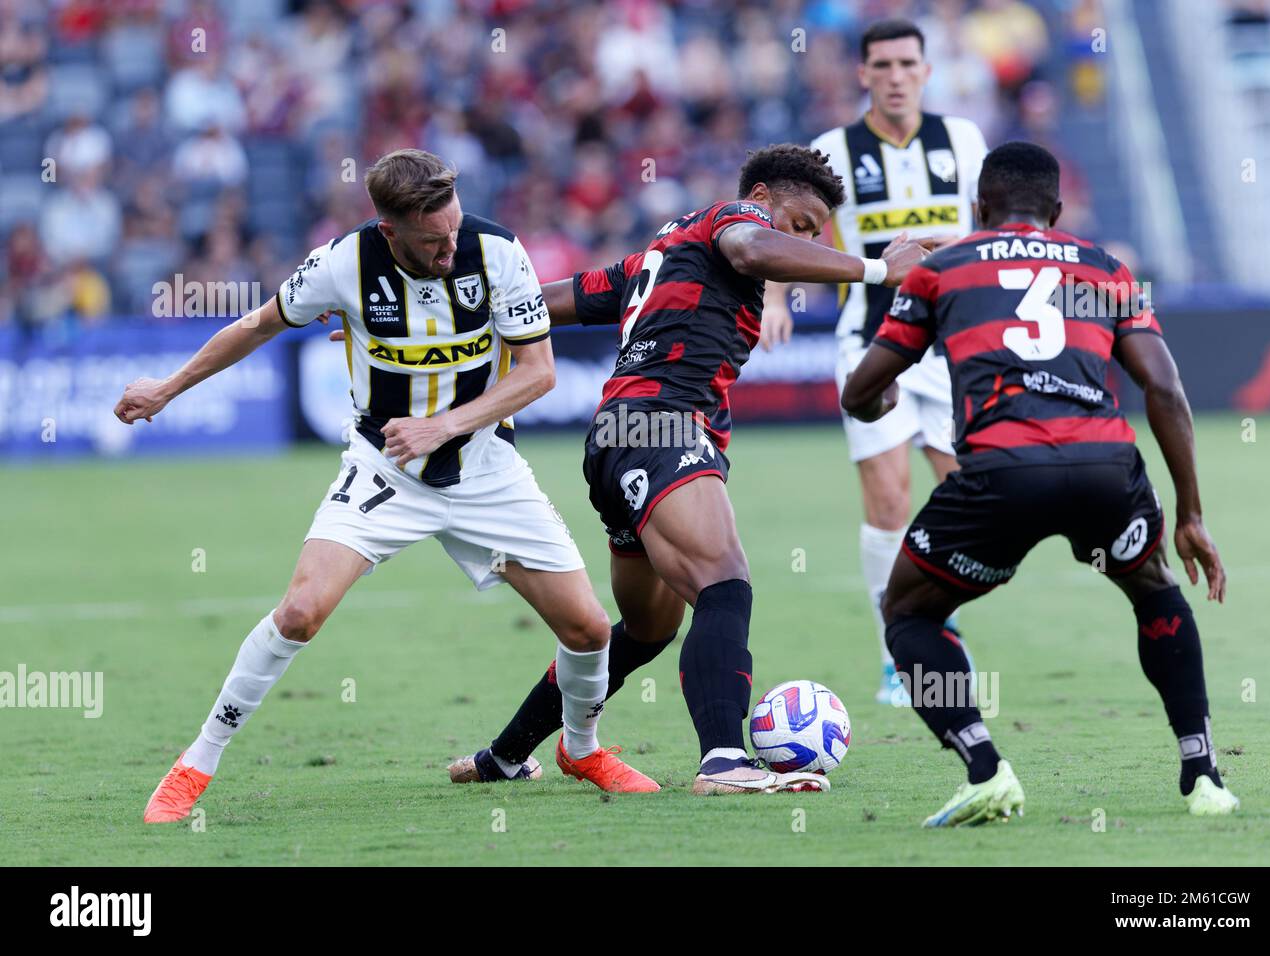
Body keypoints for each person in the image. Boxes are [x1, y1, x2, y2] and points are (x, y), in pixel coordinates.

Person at [115, 149, 656, 824]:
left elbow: (538, 372)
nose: (449, 248)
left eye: (454, 230)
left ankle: (581, 749)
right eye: (433, 240)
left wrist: (443, 426)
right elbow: (258, 325)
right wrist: (167, 389)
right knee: (299, 612)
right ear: (390, 230)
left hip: (485, 467)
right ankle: (197, 760)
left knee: (586, 628)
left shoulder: (497, 252)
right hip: (385, 469)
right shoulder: (343, 264)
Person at [445, 144, 934, 794]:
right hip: (661, 422)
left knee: (650, 628)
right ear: (760, 198)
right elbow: (752, 249)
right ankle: (725, 761)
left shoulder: (663, 251)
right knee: (724, 583)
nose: (807, 241)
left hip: (621, 434)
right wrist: (875, 268)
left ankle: (503, 757)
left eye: (817, 234)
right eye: (801, 224)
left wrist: (445, 318)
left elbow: (554, 301)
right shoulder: (732, 223)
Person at [840, 141, 1240, 825]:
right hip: (1104, 468)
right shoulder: (1107, 270)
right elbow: (1166, 389)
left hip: (1002, 474)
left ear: (978, 207)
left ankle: (984, 766)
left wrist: (873, 406)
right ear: (1055, 212)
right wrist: (1191, 513)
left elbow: (863, 389)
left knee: (908, 611)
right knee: (1154, 592)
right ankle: (1203, 775)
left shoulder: (943, 271)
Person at [764, 19, 987, 704]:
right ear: (862, 73)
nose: (895, 76)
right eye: (882, 64)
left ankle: (934, 617)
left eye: (906, 63)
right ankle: (900, 650)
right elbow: (789, 228)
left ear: (926, 70)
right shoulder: (834, 150)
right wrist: (775, 295)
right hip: (872, 343)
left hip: (951, 346)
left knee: (966, 499)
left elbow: (989, 227)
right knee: (889, 500)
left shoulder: (963, 140)